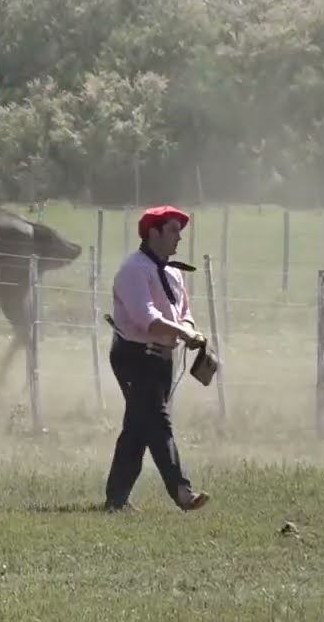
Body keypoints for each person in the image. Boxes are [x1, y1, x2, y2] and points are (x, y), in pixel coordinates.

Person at [103, 205, 211, 513]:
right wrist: (184, 333)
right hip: (135, 358)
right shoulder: (133, 270)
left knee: (138, 427)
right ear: (154, 233)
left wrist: (189, 329)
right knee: (158, 422)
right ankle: (182, 491)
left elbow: (183, 311)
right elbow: (146, 319)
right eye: (173, 230)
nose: (179, 238)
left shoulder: (174, 272)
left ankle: (116, 499)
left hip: (163, 359)